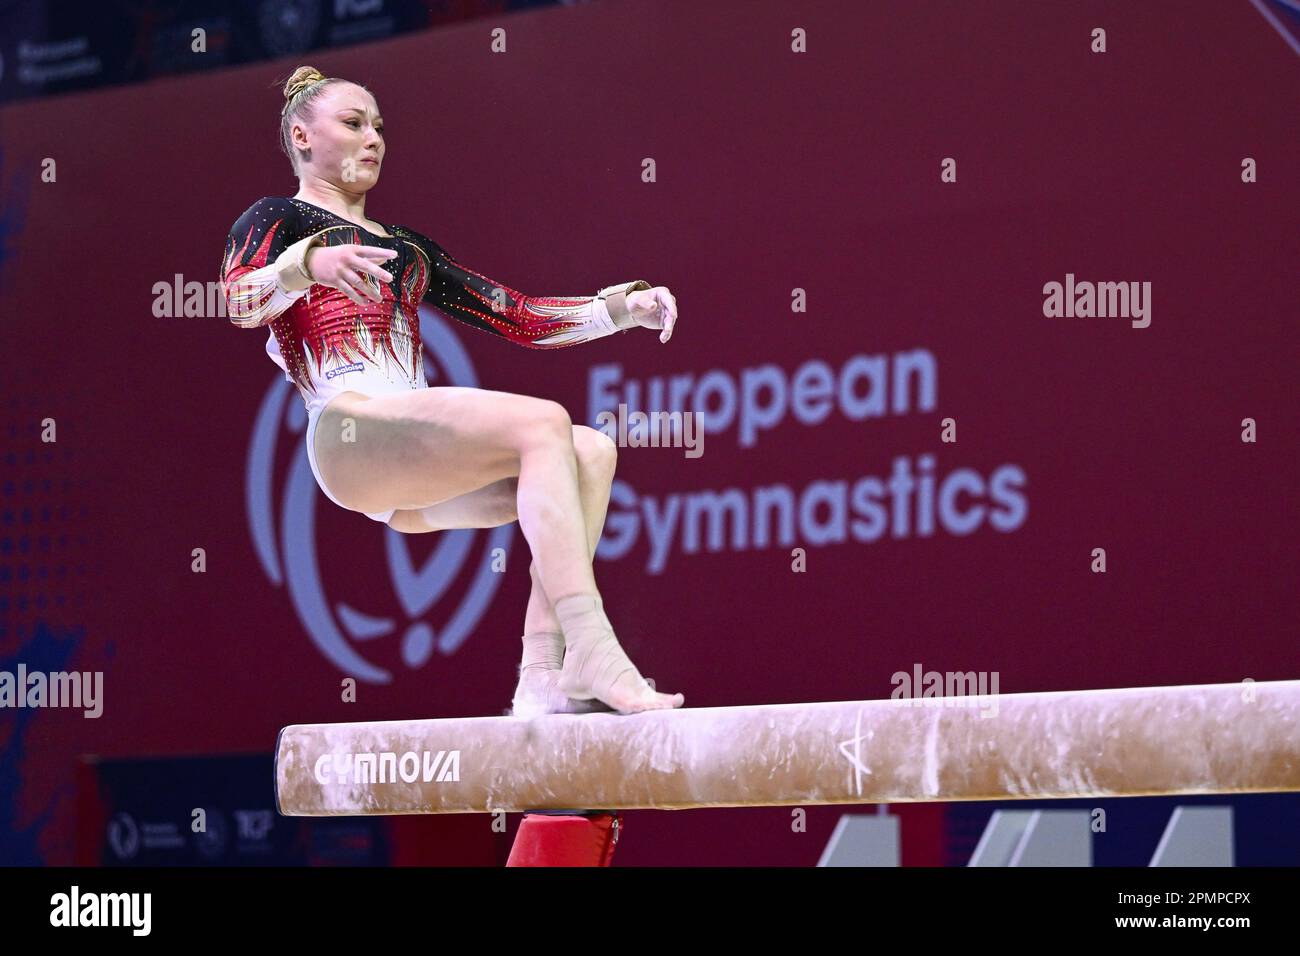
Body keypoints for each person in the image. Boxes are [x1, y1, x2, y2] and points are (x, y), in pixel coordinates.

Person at [220, 66, 684, 717]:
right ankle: (594, 647)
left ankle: (543, 672)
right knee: (542, 422)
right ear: (301, 135)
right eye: (354, 123)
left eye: (379, 125)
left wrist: (614, 311)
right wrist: (305, 265)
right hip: (351, 433)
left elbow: (516, 314)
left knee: (590, 453)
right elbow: (239, 300)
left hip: (411, 473)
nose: (374, 136)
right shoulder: (277, 219)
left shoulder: (407, 248)